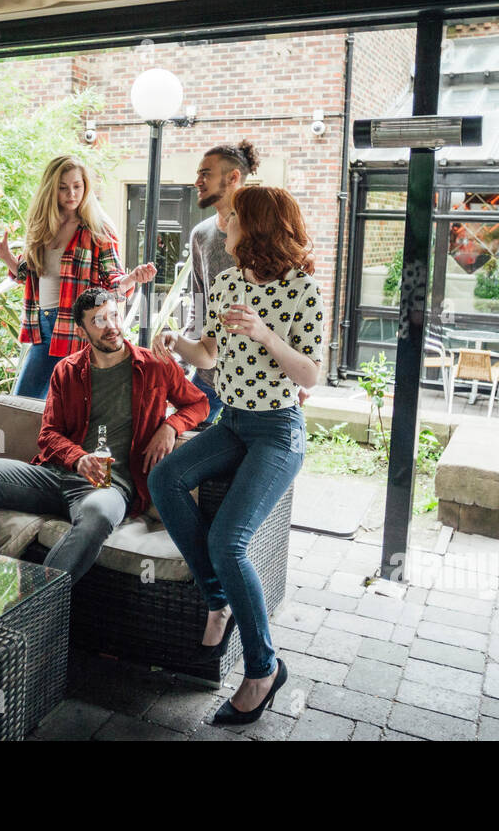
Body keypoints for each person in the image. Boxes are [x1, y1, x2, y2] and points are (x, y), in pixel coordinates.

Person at [149, 185, 324, 726]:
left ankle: (263, 669)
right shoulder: (226, 281)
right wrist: (176, 342)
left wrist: (266, 332)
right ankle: (217, 599)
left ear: (258, 226)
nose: (223, 222)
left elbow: (310, 375)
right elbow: (209, 353)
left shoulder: (303, 290)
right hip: (233, 422)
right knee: (166, 480)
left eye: (233, 216)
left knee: (230, 539)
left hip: (277, 432)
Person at [0, 286, 208, 581]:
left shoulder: (155, 365)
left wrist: (170, 427)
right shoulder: (66, 371)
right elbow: (49, 434)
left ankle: (35, 600)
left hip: (109, 487)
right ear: (82, 332)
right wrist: (79, 458)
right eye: (98, 320)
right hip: (53, 477)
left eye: (113, 316)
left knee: (97, 514)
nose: (110, 327)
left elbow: (199, 403)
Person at [0, 155, 157, 400]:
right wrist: (6, 256)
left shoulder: (97, 228)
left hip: (76, 328)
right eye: (63, 188)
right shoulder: (43, 225)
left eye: (77, 186)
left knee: (69, 406)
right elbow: (32, 276)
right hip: (43, 325)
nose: (72, 194)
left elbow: (112, 285)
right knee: (23, 402)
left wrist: (133, 278)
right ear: (51, 189)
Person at [183, 140, 261, 426]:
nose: (197, 182)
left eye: (206, 174)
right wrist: (182, 357)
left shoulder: (264, 230)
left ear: (233, 178)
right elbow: (199, 305)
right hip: (209, 372)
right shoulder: (200, 235)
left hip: (257, 374)